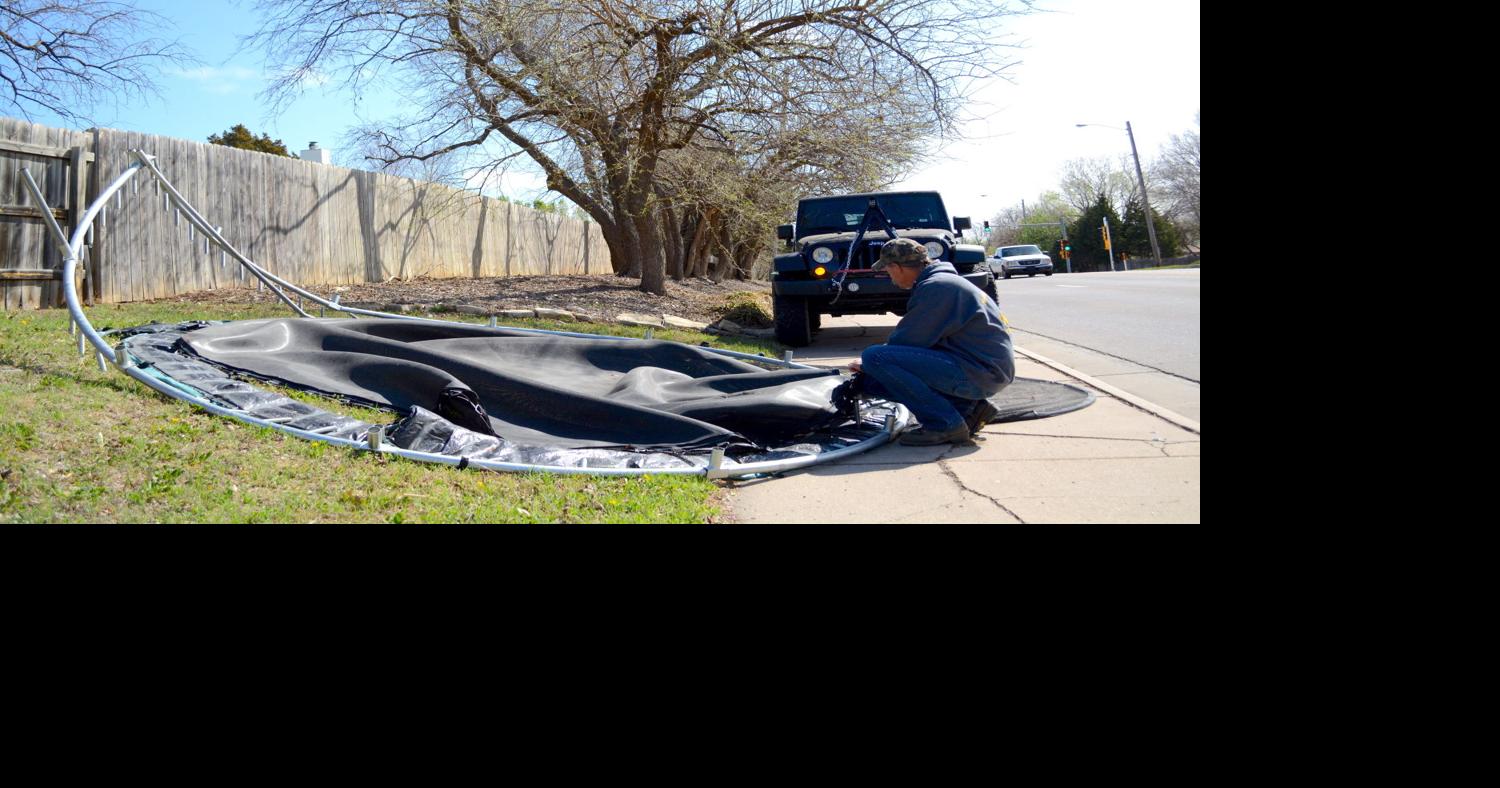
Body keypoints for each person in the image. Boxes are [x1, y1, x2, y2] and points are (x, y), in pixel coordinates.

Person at [849, 238, 1014, 445]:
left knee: (875, 358)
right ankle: (969, 409)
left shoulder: (938, 287)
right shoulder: (943, 282)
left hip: (981, 373)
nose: (889, 276)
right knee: (875, 382)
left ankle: (945, 425)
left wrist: (866, 365)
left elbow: (909, 340)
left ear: (897, 267)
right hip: (982, 368)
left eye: (887, 270)